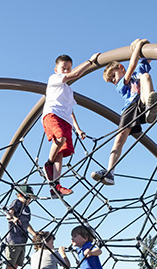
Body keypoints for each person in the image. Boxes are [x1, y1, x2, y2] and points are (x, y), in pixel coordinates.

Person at [92, 39, 157, 186]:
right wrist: (138, 45)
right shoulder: (121, 86)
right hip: (129, 109)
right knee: (119, 140)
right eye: (111, 81)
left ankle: (150, 106)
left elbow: (148, 56)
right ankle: (110, 172)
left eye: (113, 76)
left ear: (119, 67)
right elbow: (133, 64)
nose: (114, 81)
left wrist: (143, 43)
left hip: (142, 101)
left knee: (145, 76)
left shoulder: (139, 71)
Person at [41, 53, 97, 197]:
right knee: (60, 139)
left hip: (66, 120)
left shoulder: (69, 91)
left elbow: (70, 111)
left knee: (62, 152)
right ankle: (48, 164)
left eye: (68, 68)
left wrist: (77, 129)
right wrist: (90, 61)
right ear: (56, 70)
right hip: (52, 114)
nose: (66, 71)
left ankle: (55, 186)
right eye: (63, 68)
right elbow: (76, 74)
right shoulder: (54, 79)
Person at [2, 186, 36, 269]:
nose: (29, 200)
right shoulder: (16, 203)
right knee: (10, 264)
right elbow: (8, 214)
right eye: (28, 197)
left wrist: (34, 234)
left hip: (23, 240)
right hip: (13, 239)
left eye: (31, 198)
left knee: (15, 266)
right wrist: (13, 218)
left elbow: (26, 224)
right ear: (20, 195)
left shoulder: (27, 209)